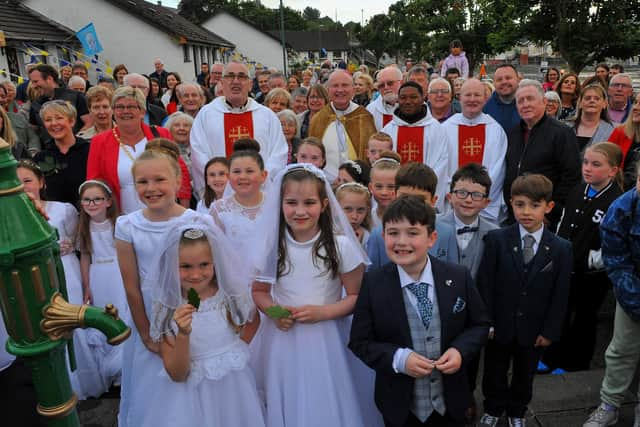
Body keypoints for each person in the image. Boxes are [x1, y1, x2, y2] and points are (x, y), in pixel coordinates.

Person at [350, 195, 489, 427]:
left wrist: (459, 351)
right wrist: (398, 358)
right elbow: (360, 341)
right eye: (393, 233)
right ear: (383, 236)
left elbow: (479, 325)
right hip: (400, 405)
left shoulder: (457, 277)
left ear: (432, 238)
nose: (401, 241)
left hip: (451, 402)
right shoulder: (373, 284)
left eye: (413, 233)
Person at [250, 164, 371, 427]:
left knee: (323, 393)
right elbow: (258, 291)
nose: (300, 211)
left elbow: (355, 296)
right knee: (287, 391)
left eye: (309, 202)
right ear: (280, 204)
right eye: (291, 202)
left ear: (325, 204)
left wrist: (323, 312)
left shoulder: (340, 246)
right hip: (282, 337)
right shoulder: (272, 245)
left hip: (327, 337)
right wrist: (274, 312)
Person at [114, 148, 207, 427]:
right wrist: (146, 333)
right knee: (152, 385)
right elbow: (132, 287)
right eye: (142, 182)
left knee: (191, 381)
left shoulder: (196, 222)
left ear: (178, 180)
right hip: (149, 317)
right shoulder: (127, 226)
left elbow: (207, 278)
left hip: (190, 317)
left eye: (159, 180)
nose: (151, 188)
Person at [144, 222, 264, 427]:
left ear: (215, 263)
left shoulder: (230, 297)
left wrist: (233, 351)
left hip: (234, 390)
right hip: (191, 396)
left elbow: (252, 321)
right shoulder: (167, 309)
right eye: (185, 266)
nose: (196, 274)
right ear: (170, 266)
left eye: (204, 264)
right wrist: (183, 334)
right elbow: (177, 374)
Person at [477, 174, 572, 427]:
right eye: (520, 205)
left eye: (534, 205)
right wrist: (487, 322)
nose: (526, 212)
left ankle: (517, 411)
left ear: (548, 206)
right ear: (511, 204)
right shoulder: (497, 240)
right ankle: (493, 408)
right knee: (494, 371)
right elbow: (486, 284)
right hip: (499, 325)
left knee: (525, 373)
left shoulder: (561, 248)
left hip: (535, 329)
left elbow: (560, 293)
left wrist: (550, 330)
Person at [16, 160, 106, 400]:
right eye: (17, 182)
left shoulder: (62, 209)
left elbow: (81, 241)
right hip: (35, 278)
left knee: (72, 320)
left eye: (28, 181)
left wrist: (68, 245)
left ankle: (84, 380)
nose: (23, 187)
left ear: (41, 182)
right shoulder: (12, 218)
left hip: (66, 272)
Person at [540, 142, 623, 374]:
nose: (587, 168)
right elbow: (564, 224)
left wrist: (591, 262)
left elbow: (614, 242)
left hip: (592, 275)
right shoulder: (578, 190)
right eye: (585, 162)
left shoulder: (617, 200)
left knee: (584, 319)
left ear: (613, 170)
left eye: (596, 164)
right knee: (560, 312)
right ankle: (551, 356)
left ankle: (575, 363)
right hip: (566, 265)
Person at [582, 162, 640, 427]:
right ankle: (609, 404)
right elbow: (617, 261)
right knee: (621, 350)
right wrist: (635, 303)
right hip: (632, 290)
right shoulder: (622, 209)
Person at [190, 61, 287, 197]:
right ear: (222, 83)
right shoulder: (206, 115)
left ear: (250, 84)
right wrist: (220, 182)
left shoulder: (267, 115)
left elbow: (278, 153)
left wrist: (260, 180)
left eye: (241, 77)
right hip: (220, 194)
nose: (235, 81)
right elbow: (198, 153)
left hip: (260, 193)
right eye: (230, 76)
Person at [503, 80, 581, 228]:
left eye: (530, 99)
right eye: (520, 101)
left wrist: (549, 212)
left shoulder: (562, 133)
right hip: (515, 216)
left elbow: (571, 177)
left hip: (545, 218)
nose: (525, 104)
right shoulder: (512, 134)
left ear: (544, 102)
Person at [77, 179, 130, 391]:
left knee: (122, 312)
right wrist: (87, 285)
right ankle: (111, 370)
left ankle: (125, 369)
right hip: (98, 275)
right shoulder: (84, 227)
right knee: (104, 314)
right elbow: (85, 257)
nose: (92, 204)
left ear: (108, 201)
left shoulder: (120, 223)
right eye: (87, 200)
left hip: (118, 274)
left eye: (97, 199)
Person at [86, 86, 173, 213]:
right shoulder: (99, 141)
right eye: (120, 107)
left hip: (163, 211)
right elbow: (94, 181)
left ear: (142, 111)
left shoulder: (161, 134)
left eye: (131, 107)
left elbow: (178, 171)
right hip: (122, 215)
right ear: (114, 112)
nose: (125, 111)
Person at [367, 162, 460, 270]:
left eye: (420, 199)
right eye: (405, 197)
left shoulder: (446, 232)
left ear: (433, 201)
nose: (412, 204)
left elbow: (453, 273)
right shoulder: (378, 235)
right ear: (395, 196)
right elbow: (372, 276)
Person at [443, 78, 507, 223]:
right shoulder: (446, 128)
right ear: (459, 97)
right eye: (468, 95)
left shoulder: (495, 130)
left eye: (477, 95)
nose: (472, 99)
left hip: (484, 207)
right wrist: (457, 196)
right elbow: (442, 168)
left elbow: (498, 169)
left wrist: (478, 196)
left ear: (485, 99)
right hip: (453, 204)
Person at [382, 82, 449, 212]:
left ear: (423, 98)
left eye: (413, 97)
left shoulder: (436, 129)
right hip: (396, 201)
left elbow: (440, 165)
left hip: (425, 199)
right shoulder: (388, 130)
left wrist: (423, 196)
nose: (408, 101)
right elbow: (385, 166)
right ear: (398, 100)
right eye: (403, 97)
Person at [309, 69, 376, 182]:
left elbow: (372, 154)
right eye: (335, 86)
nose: (340, 90)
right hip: (326, 184)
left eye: (345, 85)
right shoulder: (318, 119)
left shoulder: (364, 117)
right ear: (328, 90)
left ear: (353, 89)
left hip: (357, 185)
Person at [210, 139, 267, 258]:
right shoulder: (219, 210)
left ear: (263, 175)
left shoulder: (274, 205)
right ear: (228, 176)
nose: (242, 177)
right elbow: (216, 250)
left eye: (250, 171)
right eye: (236, 172)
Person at [33, 100, 89, 205]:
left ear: (71, 121)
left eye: (59, 118)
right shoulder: (40, 158)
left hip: (87, 215)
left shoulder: (89, 151)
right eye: (48, 120)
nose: (54, 123)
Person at [28, 64, 91, 141]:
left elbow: (89, 123)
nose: (33, 86)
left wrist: (76, 141)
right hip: (49, 151)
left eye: (35, 81)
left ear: (49, 79)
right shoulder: (35, 104)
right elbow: (33, 131)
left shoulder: (76, 97)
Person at [608, 93, 640, 190]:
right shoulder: (620, 132)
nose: (635, 107)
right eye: (635, 102)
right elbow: (606, 163)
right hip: (619, 191)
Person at [570, 84, 614, 152]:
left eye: (597, 98)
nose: (592, 101)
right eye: (587, 98)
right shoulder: (566, 127)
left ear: (604, 104)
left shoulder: (611, 131)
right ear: (580, 103)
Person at [483, 64, 521, 133]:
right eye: (499, 79)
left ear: (518, 80)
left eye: (508, 78)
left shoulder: (528, 104)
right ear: (494, 83)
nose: (504, 82)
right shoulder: (485, 109)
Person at [368, 153, 401, 229]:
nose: (384, 192)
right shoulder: (367, 218)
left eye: (391, 187)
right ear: (370, 187)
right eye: (379, 186)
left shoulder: (407, 217)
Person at [336, 182, 373, 249]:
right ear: (336, 208)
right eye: (348, 209)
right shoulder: (328, 232)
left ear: (367, 210)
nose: (354, 216)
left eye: (360, 210)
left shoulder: (366, 237)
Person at [367, 66, 403, 130]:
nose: (386, 87)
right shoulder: (371, 110)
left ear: (401, 83)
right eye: (381, 85)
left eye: (390, 83)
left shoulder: (415, 107)